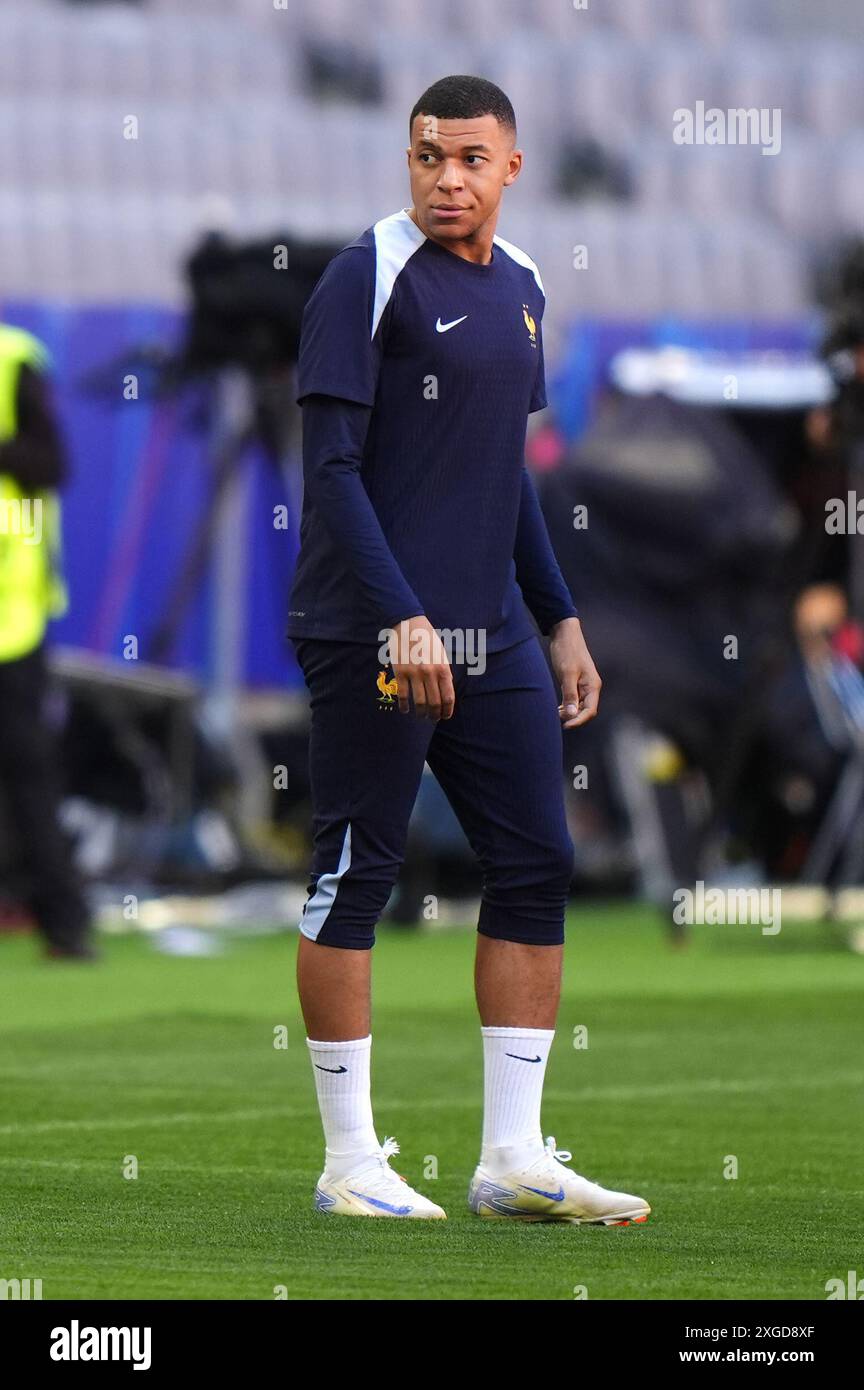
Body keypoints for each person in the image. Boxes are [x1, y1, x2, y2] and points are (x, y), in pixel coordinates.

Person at [287, 76, 650, 1224]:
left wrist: (561, 615)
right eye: (428, 157)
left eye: (470, 160)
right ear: (410, 162)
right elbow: (332, 475)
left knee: (538, 860)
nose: (448, 178)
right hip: (373, 631)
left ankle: (513, 1157)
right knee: (360, 876)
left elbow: (510, 482)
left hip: (491, 633)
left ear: (512, 167)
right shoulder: (365, 277)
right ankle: (349, 1159)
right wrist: (400, 613)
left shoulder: (528, 288)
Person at [0, 322, 94, 959]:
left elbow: (51, 464)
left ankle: (64, 925)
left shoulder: (14, 358)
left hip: (12, 619)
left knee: (29, 774)